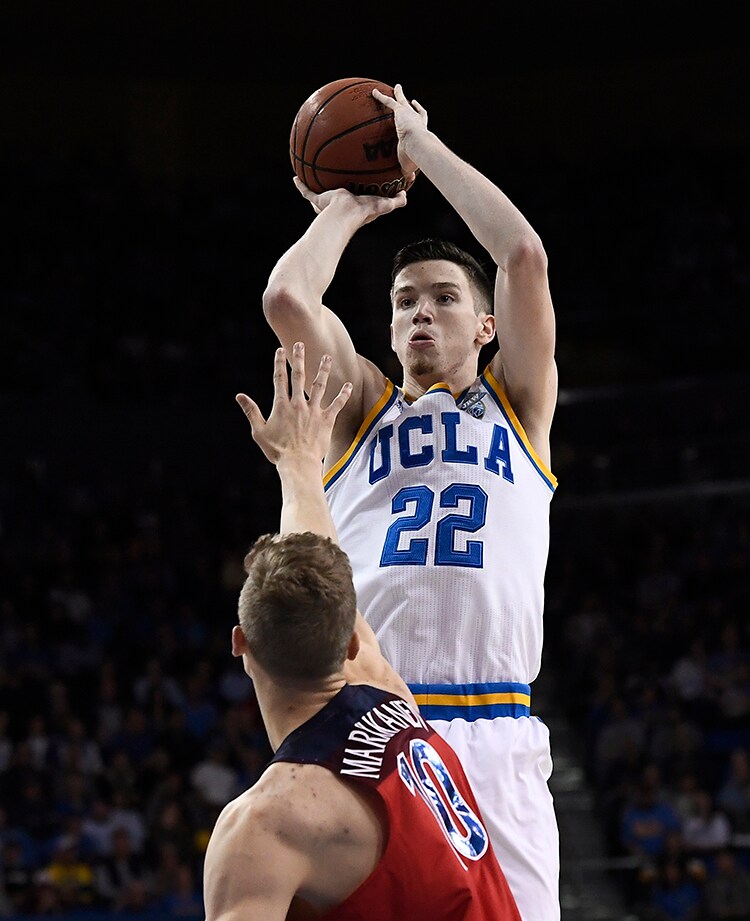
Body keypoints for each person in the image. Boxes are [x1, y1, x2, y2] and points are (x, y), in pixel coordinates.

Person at [262, 82, 559, 919]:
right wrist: (351, 208)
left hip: (496, 726)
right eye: (403, 303)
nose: (421, 312)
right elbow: (288, 298)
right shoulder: (358, 406)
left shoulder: (522, 408)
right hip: (376, 724)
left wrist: (419, 148)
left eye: (442, 298)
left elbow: (525, 256)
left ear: (486, 326)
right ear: (388, 332)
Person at [202, 344, 523, 920]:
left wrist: (298, 462)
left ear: (240, 645)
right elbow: (322, 573)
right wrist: (298, 464)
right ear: (351, 643)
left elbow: (324, 575)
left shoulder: (267, 822)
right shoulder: (390, 697)